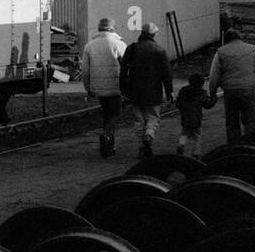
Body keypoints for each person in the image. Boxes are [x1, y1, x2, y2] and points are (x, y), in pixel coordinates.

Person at [119, 23, 174, 158]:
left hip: (135, 92)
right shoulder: (159, 50)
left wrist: (124, 90)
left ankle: (141, 148)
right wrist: (169, 91)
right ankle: (149, 135)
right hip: (154, 92)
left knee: (139, 120)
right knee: (153, 117)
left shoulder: (131, 49)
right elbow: (166, 74)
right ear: (154, 35)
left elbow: (123, 72)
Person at [208, 29, 255, 143]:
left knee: (232, 122)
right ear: (240, 38)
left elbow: (214, 76)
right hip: (248, 90)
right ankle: (252, 144)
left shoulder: (220, 52)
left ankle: (234, 146)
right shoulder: (253, 49)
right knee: (251, 121)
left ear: (226, 40)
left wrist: (213, 93)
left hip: (230, 92)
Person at [81, 17, 127, 157]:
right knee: (115, 114)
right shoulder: (119, 44)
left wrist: (87, 87)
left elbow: (85, 70)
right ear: (112, 28)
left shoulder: (90, 45)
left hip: (98, 88)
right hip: (115, 87)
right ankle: (106, 136)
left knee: (107, 114)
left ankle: (109, 146)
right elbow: (126, 67)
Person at [175, 73, 218, 157]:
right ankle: (196, 153)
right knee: (197, 137)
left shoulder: (183, 91)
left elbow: (178, 104)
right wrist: (214, 99)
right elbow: (207, 105)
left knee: (184, 133)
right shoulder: (202, 93)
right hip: (196, 118)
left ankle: (181, 145)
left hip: (185, 118)